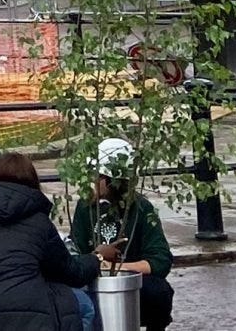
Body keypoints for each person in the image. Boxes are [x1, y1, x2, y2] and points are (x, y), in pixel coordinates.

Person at [0, 153, 98, 331]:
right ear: (33, 182)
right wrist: (97, 258)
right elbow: (72, 273)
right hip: (31, 318)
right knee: (84, 306)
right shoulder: (39, 222)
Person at [67, 139, 175, 328]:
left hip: (131, 284)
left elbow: (160, 261)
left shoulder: (141, 208)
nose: (93, 180)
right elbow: (76, 254)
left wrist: (118, 268)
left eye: (98, 175)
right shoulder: (85, 208)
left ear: (112, 180)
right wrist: (95, 263)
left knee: (160, 291)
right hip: (92, 282)